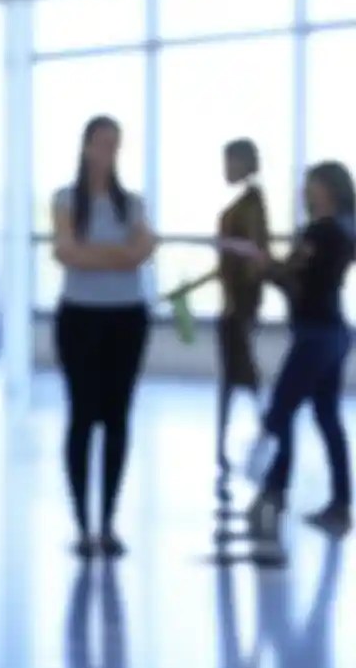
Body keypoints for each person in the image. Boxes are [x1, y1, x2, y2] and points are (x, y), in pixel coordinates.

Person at [51, 116, 157, 558]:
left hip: (126, 319)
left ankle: (108, 522)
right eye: (101, 144)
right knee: (82, 416)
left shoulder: (131, 203)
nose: (108, 153)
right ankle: (82, 523)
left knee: (116, 419)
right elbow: (66, 252)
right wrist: (121, 254)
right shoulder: (65, 199)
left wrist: (93, 254)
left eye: (116, 145)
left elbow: (143, 253)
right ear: (86, 146)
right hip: (80, 319)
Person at [242, 161, 356, 537]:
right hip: (331, 332)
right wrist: (274, 270)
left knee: (281, 412)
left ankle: (272, 493)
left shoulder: (323, 233)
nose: (305, 189)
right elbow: (300, 281)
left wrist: (269, 268)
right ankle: (339, 504)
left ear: (329, 188)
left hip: (316, 336)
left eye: (311, 183)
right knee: (325, 417)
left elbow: (302, 283)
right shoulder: (340, 231)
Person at [168, 140, 271, 498]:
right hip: (235, 301)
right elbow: (229, 262)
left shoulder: (250, 205)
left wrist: (232, 255)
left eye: (229, 161)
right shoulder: (244, 205)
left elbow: (255, 255)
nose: (225, 168)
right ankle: (240, 439)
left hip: (241, 303)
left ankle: (260, 436)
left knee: (239, 372)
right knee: (235, 372)